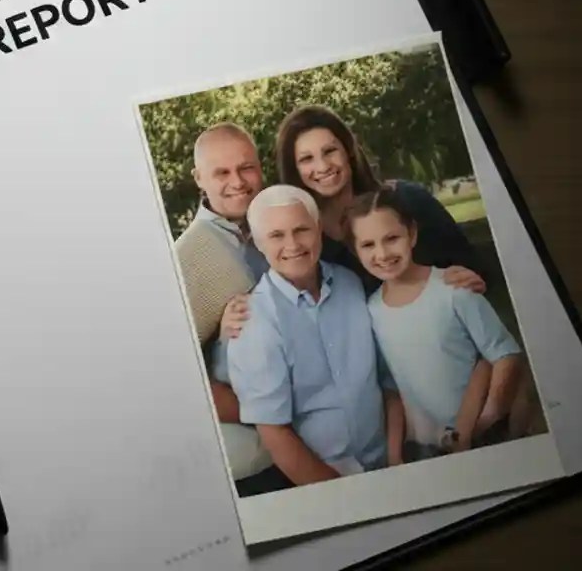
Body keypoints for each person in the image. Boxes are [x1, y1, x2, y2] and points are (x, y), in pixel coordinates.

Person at [226, 185, 404, 485]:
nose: (293, 244)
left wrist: (397, 460)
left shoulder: (350, 284)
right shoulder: (252, 321)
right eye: (276, 235)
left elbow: (386, 381)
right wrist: (340, 494)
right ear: (258, 244)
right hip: (326, 479)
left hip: (388, 459)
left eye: (301, 230)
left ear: (319, 228)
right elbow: (273, 431)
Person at [345, 185, 525, 459]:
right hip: (424, 449)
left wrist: (485, 421)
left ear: (412, 234)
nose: (382, 254)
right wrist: (395, 456)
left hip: (481, 438)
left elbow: (505, 354)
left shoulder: (453, 288)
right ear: (355, 250)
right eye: (368, 245)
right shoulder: (371, 311)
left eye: (392, 238)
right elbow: (392, 387)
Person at [172, 122, 280, 493]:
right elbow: (175, 378)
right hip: (253, 464)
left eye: (246, 167)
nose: (238, 181)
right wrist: (269, 412)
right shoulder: (189, 255)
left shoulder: (275, 226)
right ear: (199, 178)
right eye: (222, 172)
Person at [275, 104, 482, 295]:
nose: (323, 166)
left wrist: (466, 278)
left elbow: (469, 264)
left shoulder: (409, 200)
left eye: (330, 151)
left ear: (349, 150)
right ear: (294, 170)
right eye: (306, 159)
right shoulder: (304, 243)